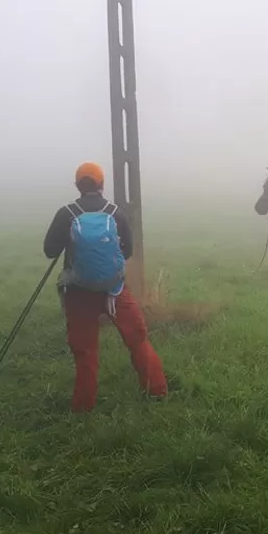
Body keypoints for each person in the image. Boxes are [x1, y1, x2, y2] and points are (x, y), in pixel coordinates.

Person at [43, 162, 167, 412]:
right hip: (115, 290)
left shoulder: (66, 213)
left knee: (85, 352)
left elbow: (49, 251)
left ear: (78, 185)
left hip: (78, 293)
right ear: (101, 185)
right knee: (137, 339)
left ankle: (82, 408)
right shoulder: (116, 213)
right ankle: (157, 392)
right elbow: (128, 251)